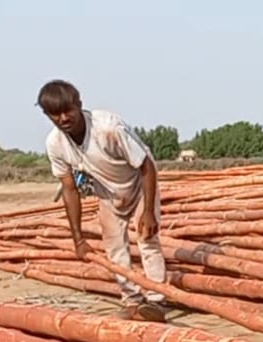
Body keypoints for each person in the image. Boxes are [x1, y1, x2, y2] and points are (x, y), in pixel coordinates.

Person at [37, 79, 168, 321]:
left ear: (79, 105)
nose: (64, 118)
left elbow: (146, 166)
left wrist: (148, 210)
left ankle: (157, 300)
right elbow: (69, 190)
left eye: (69, 110)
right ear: (47, 115)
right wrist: (78, 238)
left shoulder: (108, 127)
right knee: (114, 247)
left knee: (147, 240)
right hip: (107, 192)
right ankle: (132, 300)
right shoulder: (55, 144)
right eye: (56, 114)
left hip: (140, 185)